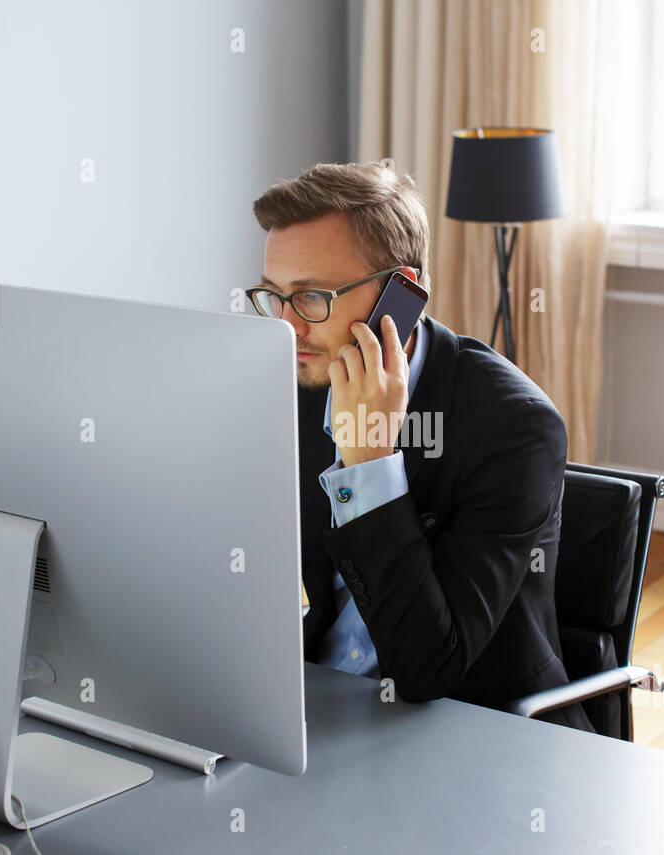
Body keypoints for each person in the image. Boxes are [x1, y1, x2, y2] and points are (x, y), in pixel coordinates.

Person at [248, 159, 593, 733]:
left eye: (311, 298)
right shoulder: (297, 383)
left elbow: (428, 669)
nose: (288, 325)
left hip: (478, 733)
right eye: (274, 296)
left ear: (401, 298)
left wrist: (370, 460)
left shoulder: (514, 428)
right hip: (324, 709)